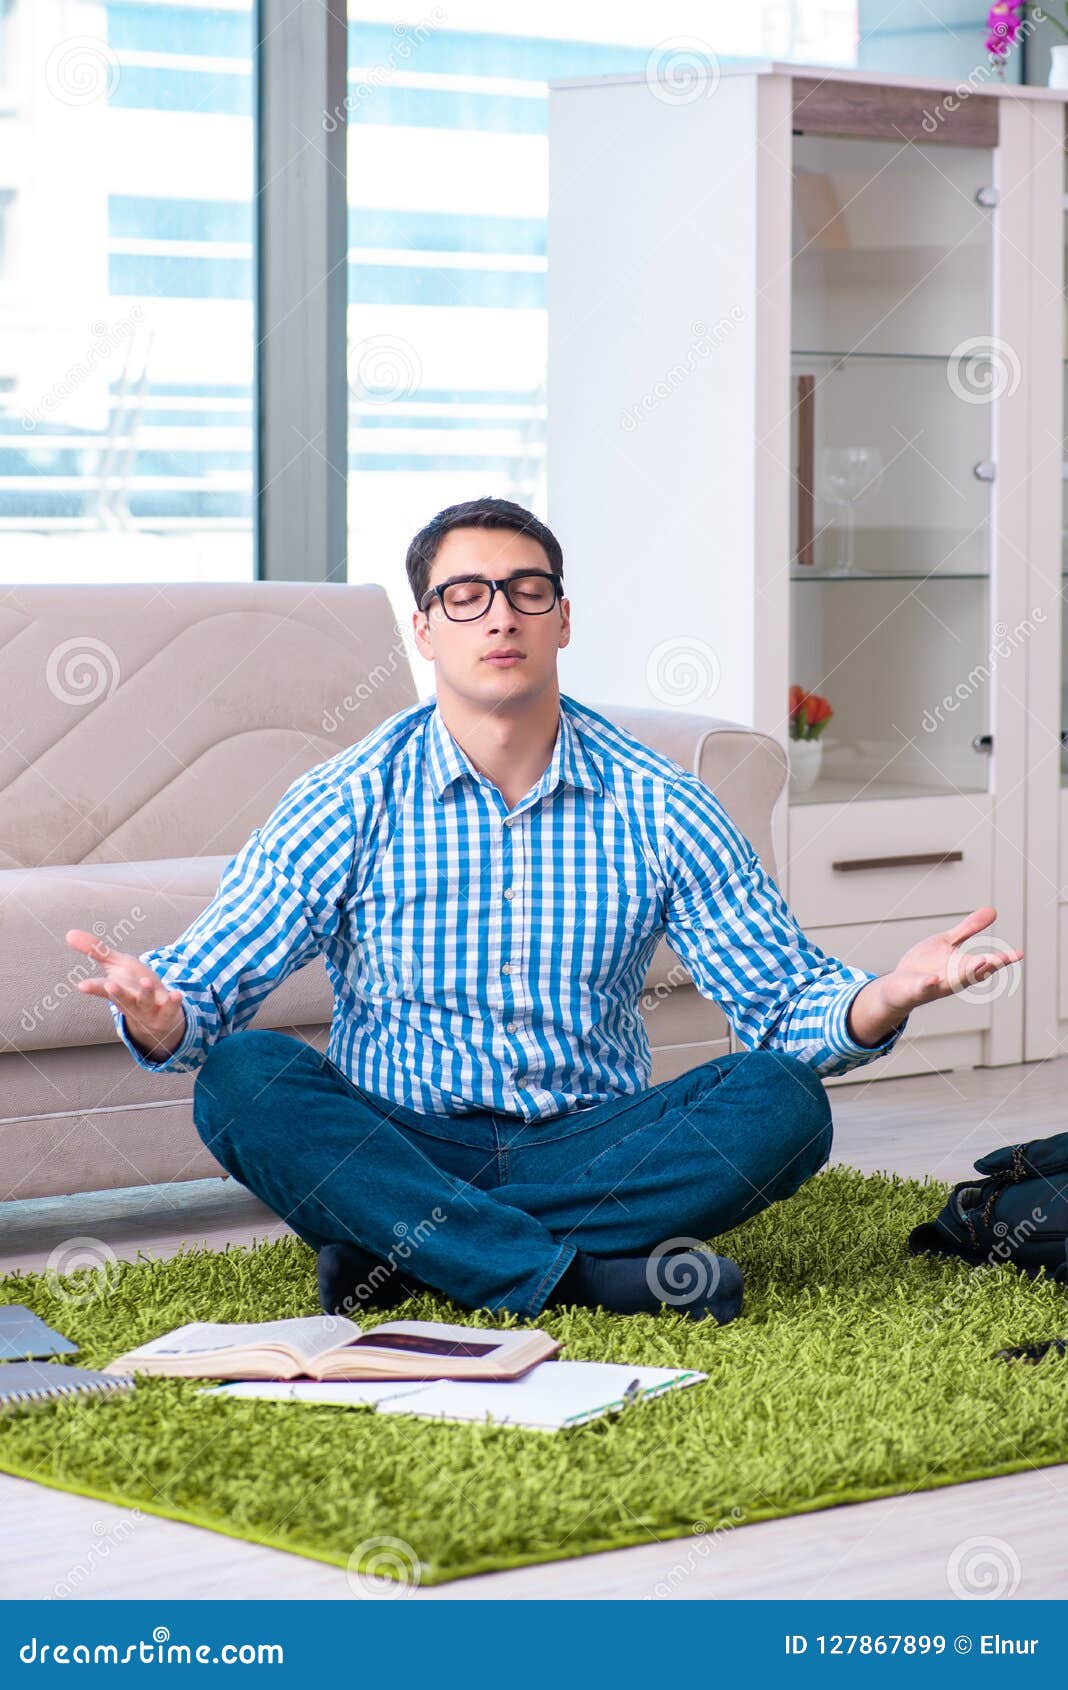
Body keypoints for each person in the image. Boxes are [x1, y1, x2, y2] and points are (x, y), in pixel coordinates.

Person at [67, 497, 1024, 1328]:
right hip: (400, 1131)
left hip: (591, 1139)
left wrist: (888, 997)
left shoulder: (661, 802)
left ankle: (405, 1243)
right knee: (242, 1077)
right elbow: (210, 987)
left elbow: (782, 1007)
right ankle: (577, 1280)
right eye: (466, 595)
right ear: (424, 629)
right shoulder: (349, 797)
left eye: (528, 591)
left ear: (562, 619)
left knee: (783, 1103)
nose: (500, 616)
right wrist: (164, 1014)